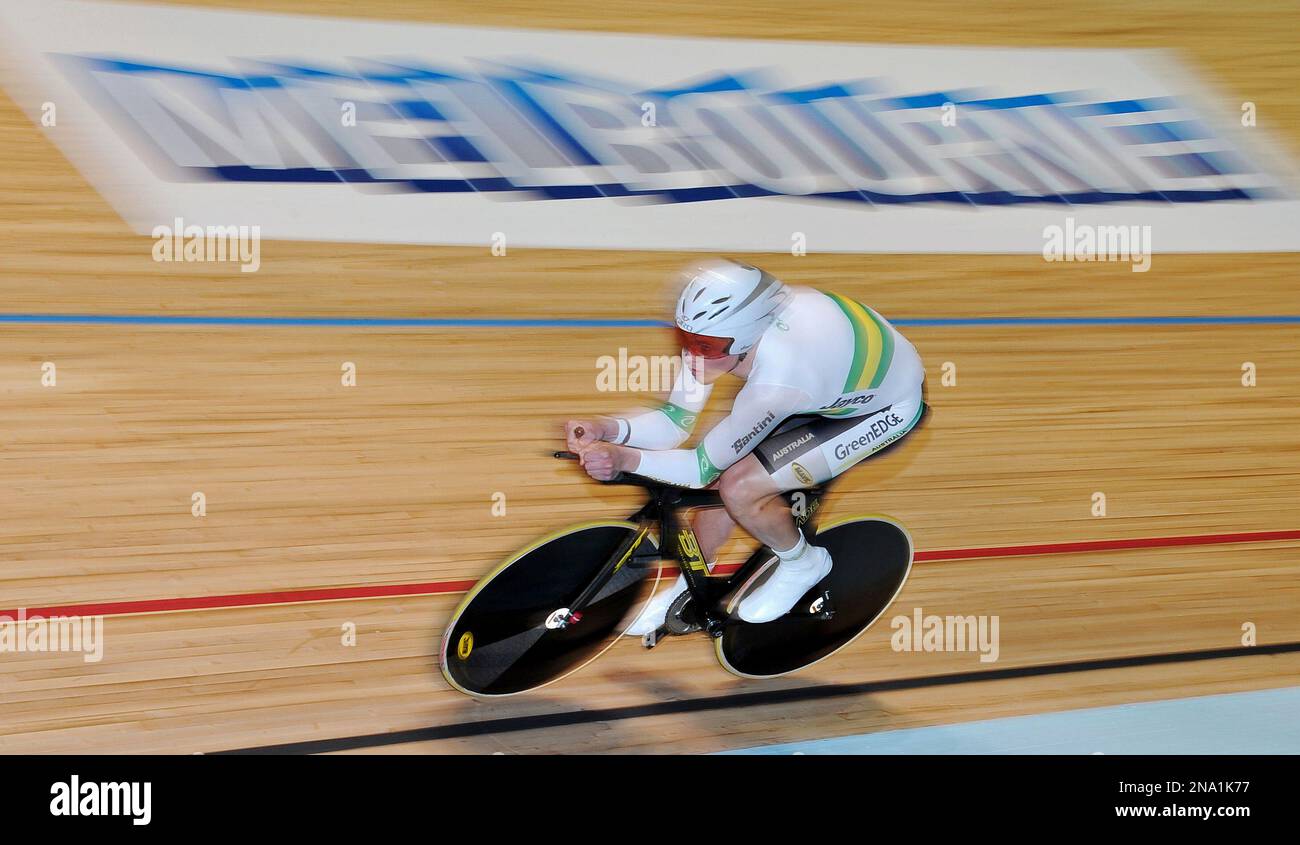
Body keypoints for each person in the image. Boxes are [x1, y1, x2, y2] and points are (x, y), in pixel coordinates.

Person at [566, 258, 925, 630]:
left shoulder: (778, 382)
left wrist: (624, 458)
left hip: (883, 408)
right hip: (828, 381)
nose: (695, 354)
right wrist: (608, 429)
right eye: (686, 340)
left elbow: (698, 468)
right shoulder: (720, 334)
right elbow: (673, 423)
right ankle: (686, 590)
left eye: (708, 346)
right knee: (720, 481)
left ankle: (803, 562)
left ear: (747, 337)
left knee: (738, 487)